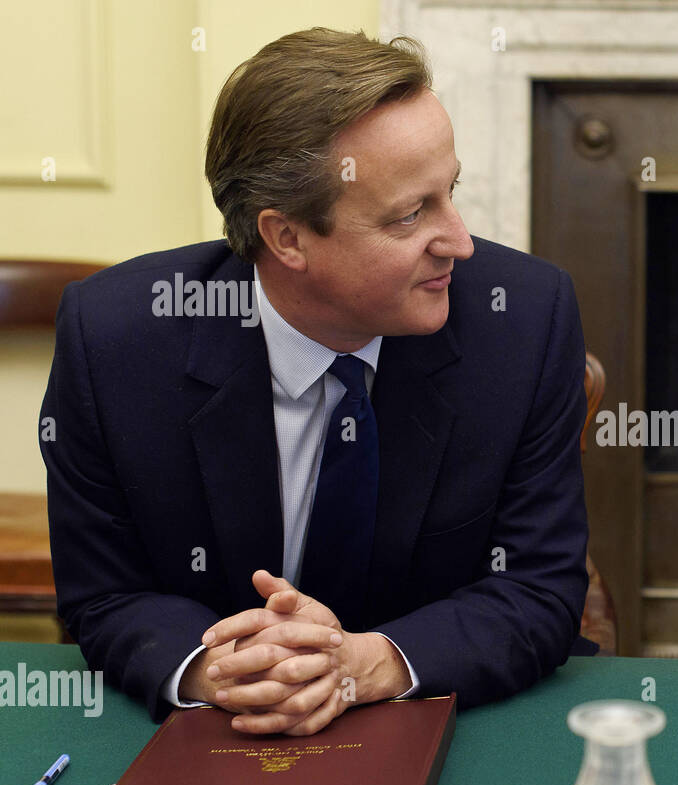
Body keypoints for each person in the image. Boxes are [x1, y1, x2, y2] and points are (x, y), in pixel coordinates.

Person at [40, 28, 595, 736]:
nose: (459, 240)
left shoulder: (524, 319)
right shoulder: (116, 341)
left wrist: (366, 663)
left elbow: (537, 588)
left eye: (448, 192)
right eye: (410, 214)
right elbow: (105, 594)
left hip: (450, 723)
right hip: (218, 737)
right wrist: (217, 668)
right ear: (287, 239)